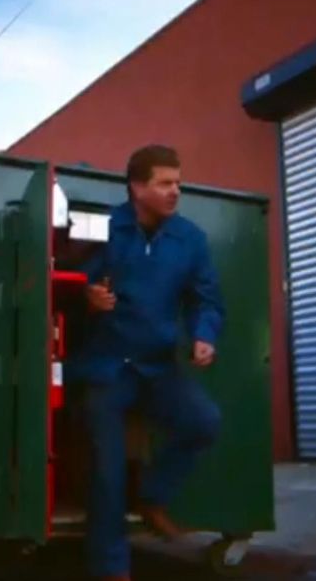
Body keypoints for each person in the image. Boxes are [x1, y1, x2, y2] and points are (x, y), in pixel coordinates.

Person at [73, 144, 225, 581]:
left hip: (158, 367)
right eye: (165, 183)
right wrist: (88, 294)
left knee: (203, 422)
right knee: (108, 468)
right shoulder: (105, 230)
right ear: (138, 188)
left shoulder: (190, 239)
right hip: (106, 366)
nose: (176, 191)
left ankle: (153, 496)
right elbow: (70, 277)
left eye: (178, 182)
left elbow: (206, 300)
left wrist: (203, 334)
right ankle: (112, 567)